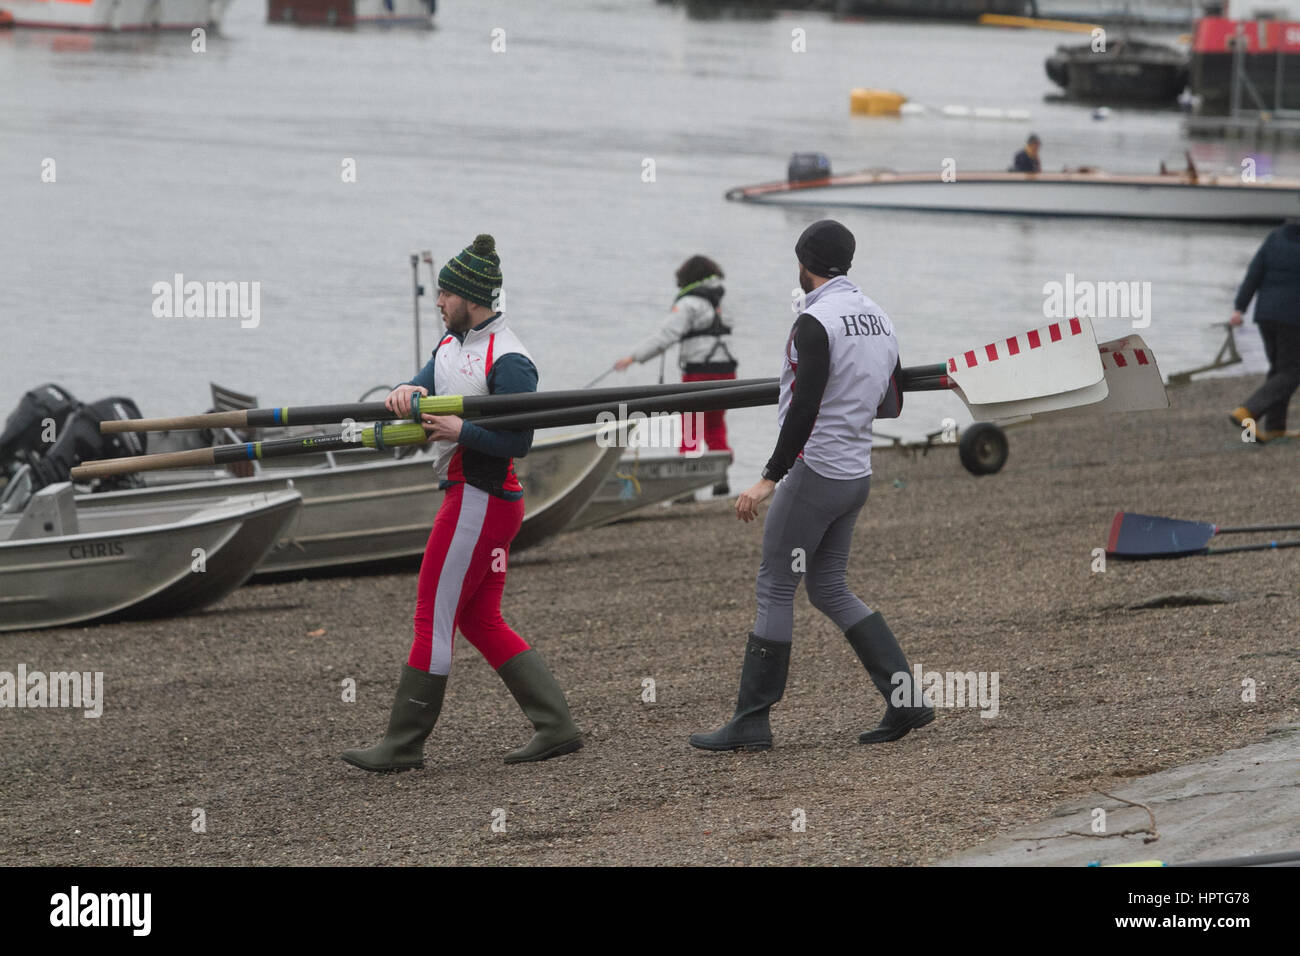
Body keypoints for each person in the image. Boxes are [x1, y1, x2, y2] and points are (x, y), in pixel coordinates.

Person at [341, 234, 582, 772]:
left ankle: (403, 746)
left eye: (445, 295)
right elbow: (423, 386)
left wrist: (461, 429)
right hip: (475, 499)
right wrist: (404, 391)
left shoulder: (511, 359)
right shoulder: (450, 346)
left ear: (470, 298)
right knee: (478, 617)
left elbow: (519, 443)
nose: (438, 303)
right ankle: (556, 726)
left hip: (480, 499)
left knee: (431, 615)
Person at [689, 220, 933, 753]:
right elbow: (891, 404)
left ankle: (752, 721)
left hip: (816, 474)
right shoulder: (878, 316)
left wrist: (767, 478)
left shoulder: (815, 322)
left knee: (776, 586)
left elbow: (804, 407)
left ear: (805, 263)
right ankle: (906, 697)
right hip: (857, 475)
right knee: (827, 587)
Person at [613, 255, 737, 491]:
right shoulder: (725, 299)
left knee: (691, 427)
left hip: (698, 373)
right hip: (728, 373)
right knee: (715, 425)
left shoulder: (689, 302)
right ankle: (720, 476)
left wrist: (634, 357)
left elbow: (666, 336)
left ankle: (686, 487)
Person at [1228, 221, 1300, 443]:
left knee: (1279, 370)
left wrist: (1240, 308)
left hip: (1266, 316)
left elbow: (1254, 272)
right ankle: (1248, 410)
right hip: (1293, 317)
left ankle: (1275, 428)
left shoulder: (1275, 237)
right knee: (1292, 371)